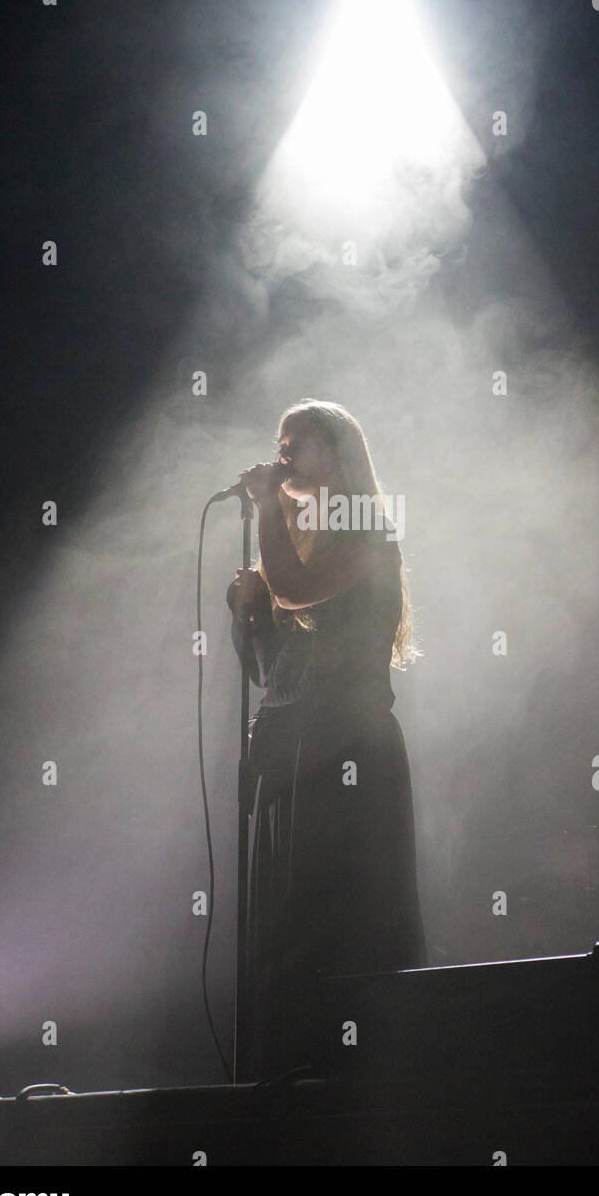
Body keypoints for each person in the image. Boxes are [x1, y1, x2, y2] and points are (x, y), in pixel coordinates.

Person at [226, 398, 427, 1078]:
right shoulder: (294, 542)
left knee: (342, 917)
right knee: (285, 924)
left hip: (348, 752)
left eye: (298, 443)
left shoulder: (366, 529)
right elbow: (265, 672)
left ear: (337, 454)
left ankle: (356, 1082)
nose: (282, 455)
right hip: (291, 753)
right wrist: (246, 616)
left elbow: (296, 585)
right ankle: (283, 1074)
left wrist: (263, 518)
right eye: (278, 442)